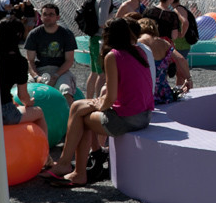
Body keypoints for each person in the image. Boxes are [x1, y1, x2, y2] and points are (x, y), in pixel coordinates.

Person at [46, 18, 155, 187]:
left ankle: (74, 170)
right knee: (77, 106)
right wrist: (98, 103)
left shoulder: (113, 56)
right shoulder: (137, 52)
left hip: (129, 118)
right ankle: (67, 164)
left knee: (81, 118)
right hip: (144, 114)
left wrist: (97, 104)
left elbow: (110, 97)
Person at [0, 16, 49, 143]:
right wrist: (29, 103)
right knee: (39, 112)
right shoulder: (20, 61)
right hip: (3, 114)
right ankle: (46, 156)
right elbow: (22, 96)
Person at [24, 2, 78, 106]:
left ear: (58, 17)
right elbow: (30, 60)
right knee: (26, 90)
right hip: (39, 70)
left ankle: (71, 119)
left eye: (51, 14)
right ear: (41, 16)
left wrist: (55, 76)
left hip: (60, 70)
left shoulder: (66, 34)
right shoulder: (34, 34)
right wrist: (36, 77)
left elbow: (69, 60)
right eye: (45, 14)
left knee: (65, 89)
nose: (47, 17)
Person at [136, 16, 192, 102]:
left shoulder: (137, 44)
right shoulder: (165, 43)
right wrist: (188, 79)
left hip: (144, 93)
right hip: (163, 93)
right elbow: (181, 59)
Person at [87, 0, 120, 100]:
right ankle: (97, 101)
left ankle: (89, 99)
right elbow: (102, 22)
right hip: (101, 39)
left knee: (94, 72)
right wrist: (114, 22)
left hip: (95, 38)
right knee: (102, 74)